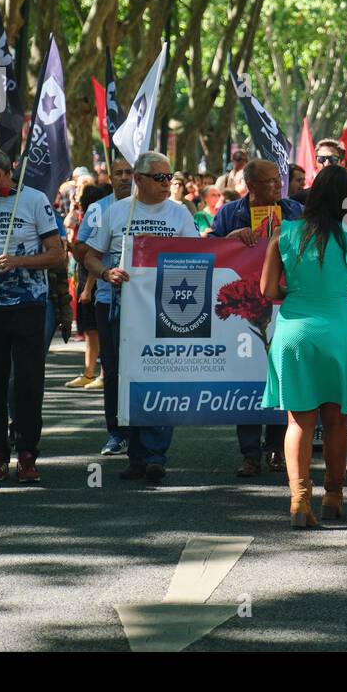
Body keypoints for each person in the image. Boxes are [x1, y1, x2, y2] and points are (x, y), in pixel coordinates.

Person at [259, 164, 347, 527]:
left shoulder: (284, 233)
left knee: (298, 421)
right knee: (337, 420)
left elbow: (268, 290)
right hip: (339, 330)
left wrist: (294, 293)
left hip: (294, 330)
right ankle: (334, 496)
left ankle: (299, 501)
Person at [84, 152, 199, 481]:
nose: (167, 184)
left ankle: (155, 455)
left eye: (169, 177)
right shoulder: (116, 212)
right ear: (139, 180)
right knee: (125, 379)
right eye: (159, 178)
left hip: (167, 309)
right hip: (121, 310)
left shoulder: (179, 215)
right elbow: (90, 256)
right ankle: (135, 453)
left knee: (161, 376)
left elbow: (197, 256)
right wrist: (106, 274)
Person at [0, 145, 65, 483]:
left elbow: (58, 255)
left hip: (28, 305)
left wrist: (20, 261)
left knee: (26, 381)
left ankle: (26, 453)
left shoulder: (35, 201)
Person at [209, 158, 303, 476]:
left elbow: (310, 248)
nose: (278, 187)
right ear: (250, 186)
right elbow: (207, 249)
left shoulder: (293, 211)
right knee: (247, 376)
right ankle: (250, 454)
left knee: (281, 376)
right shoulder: (228, 213)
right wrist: (231, 238)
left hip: (285, 304)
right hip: (245, 309)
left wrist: (286, 236)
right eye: (270, 182)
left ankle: (275, 448)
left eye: (279, 180)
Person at [70, 159, 132, 446]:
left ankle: (145, 435)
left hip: (148, 303)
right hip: (109, 300)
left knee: (144, 367)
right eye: (117, 173)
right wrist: (102, 247)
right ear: (109, 176)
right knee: (113, 367)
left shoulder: (154, 208)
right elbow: (81, 250)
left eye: (129, 173)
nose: (123, 178)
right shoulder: (99, 209)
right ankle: (116, 432)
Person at [65, 183, 111, 391]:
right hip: (85, 276)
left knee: (101, 331)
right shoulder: (87, 219)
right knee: (90, 330)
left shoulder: (103, 218)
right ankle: (89, 371)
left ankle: (103, 373)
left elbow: (96, 256)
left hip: (96, 280)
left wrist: (87, 289)